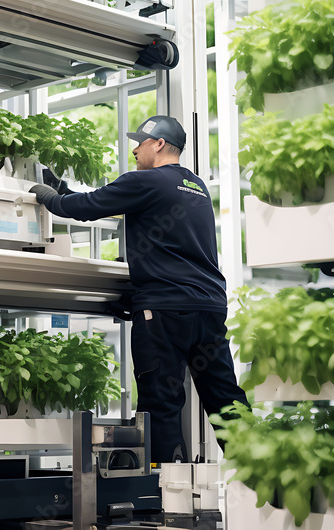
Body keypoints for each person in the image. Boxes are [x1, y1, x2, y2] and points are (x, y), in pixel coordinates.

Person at [29, 115, 248, 463]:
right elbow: (169, 239)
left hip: (164, 310)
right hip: (208, 308)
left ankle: (167, 493)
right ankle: (260, 483)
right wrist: (65, 187)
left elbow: (85, 209)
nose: (134, 149)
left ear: (159, 144)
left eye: (140, 142)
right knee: (225, 399)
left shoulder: (146, 181)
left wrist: (50, 197)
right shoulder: (196, 187)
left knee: (161, 403)